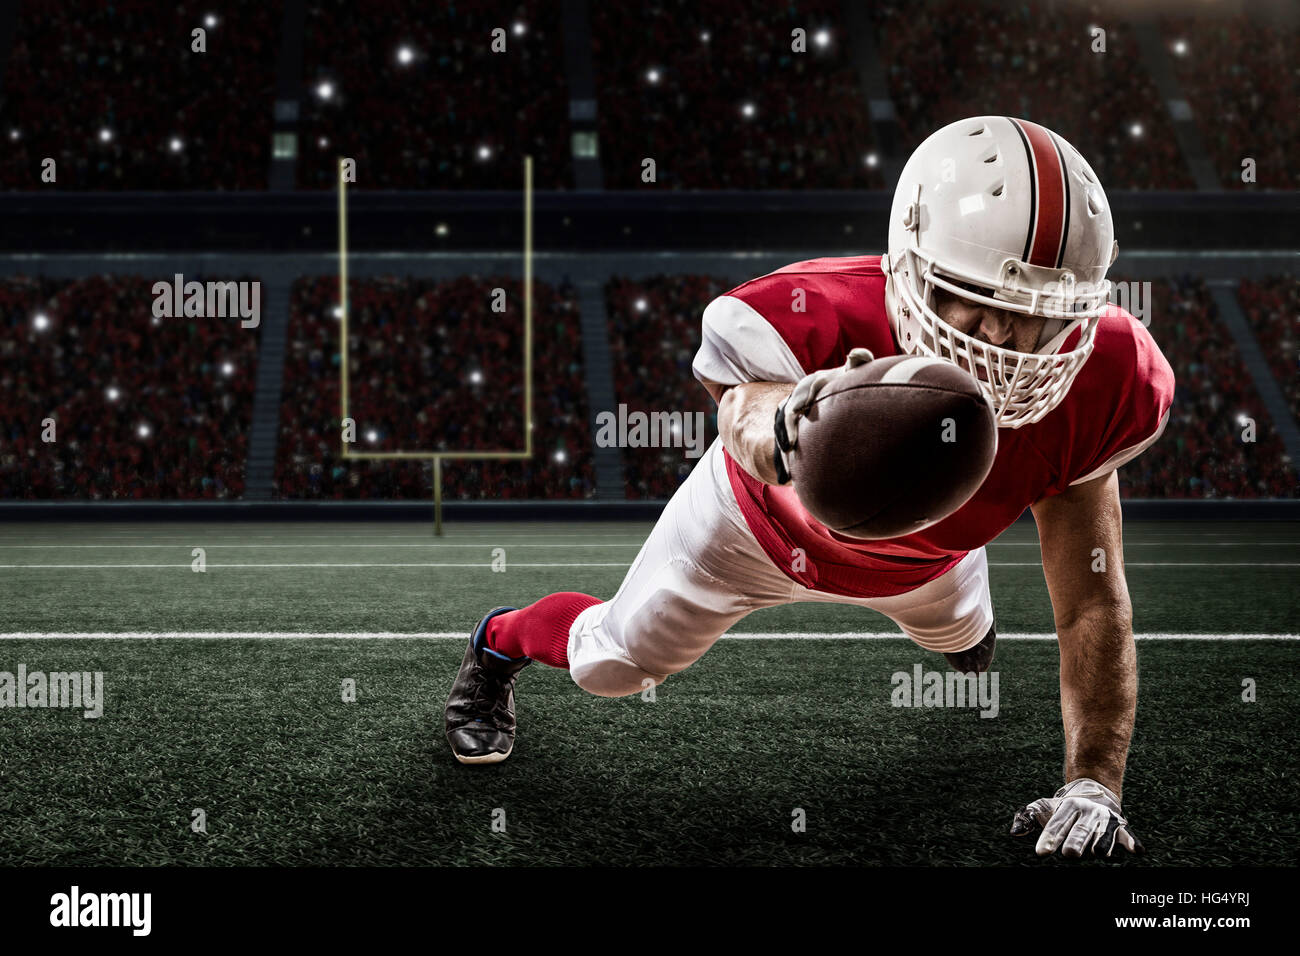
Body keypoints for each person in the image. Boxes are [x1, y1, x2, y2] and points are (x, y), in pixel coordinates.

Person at [445, 116, 1173, 859]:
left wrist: (1095, 781)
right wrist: (776, 424)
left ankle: (960, 621)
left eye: (1040, 313)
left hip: (927, 560)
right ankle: (496, 645)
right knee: (611, 665)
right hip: (747, 532)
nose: (1006, 340)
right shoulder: (811, 311)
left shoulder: (1105, 379)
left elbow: (1091, 600)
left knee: (964, 641)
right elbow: (742, 399)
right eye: (972, 298)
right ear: (911, 269)